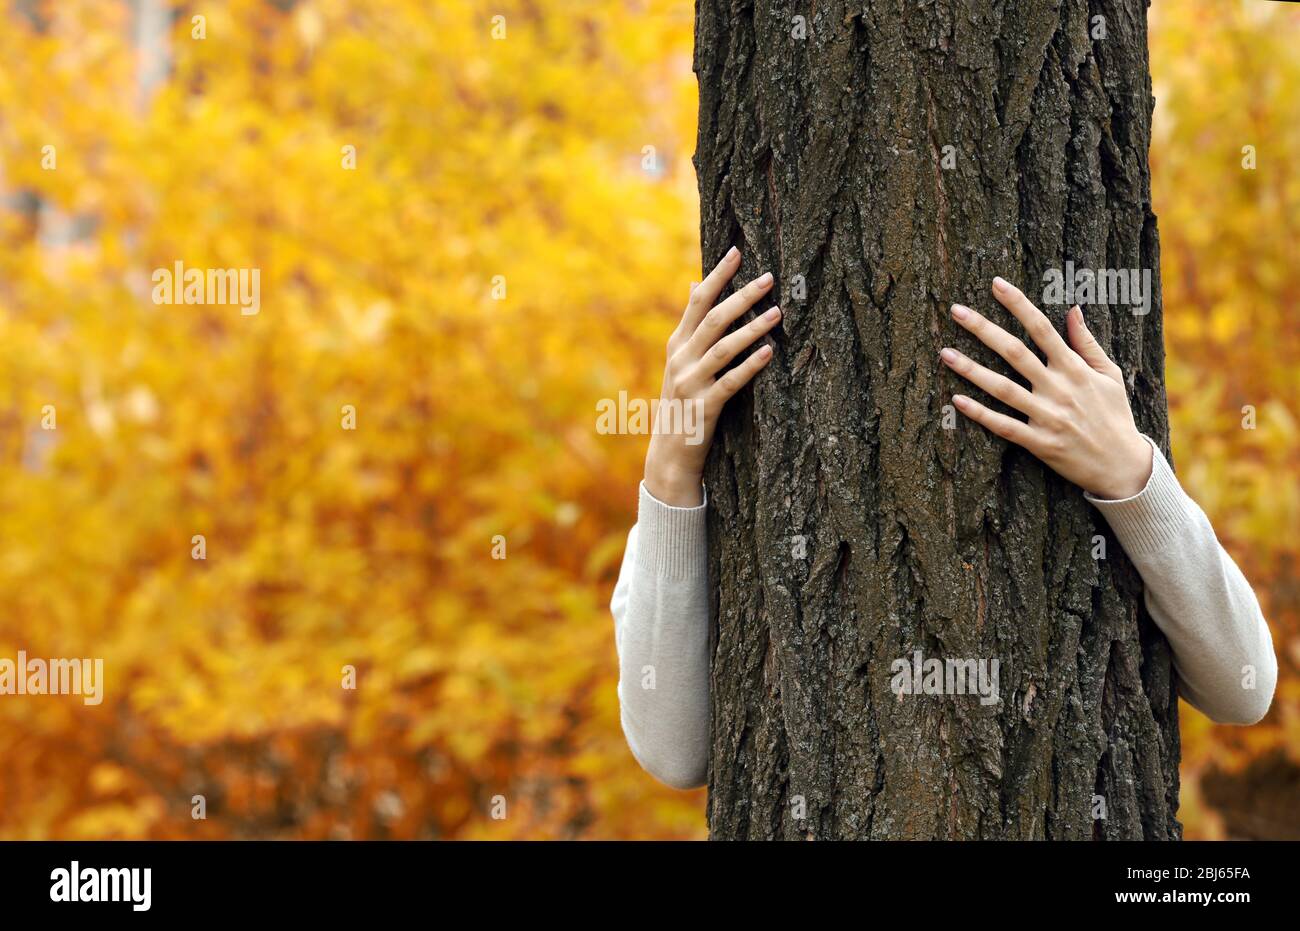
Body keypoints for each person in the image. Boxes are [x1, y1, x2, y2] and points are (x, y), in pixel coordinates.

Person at [610, 246, 1278, 790]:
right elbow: (674, 751)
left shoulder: (1115, 452)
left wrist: (1132, 474)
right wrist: (670, 469)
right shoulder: (685, 491)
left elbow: (1243, 683)